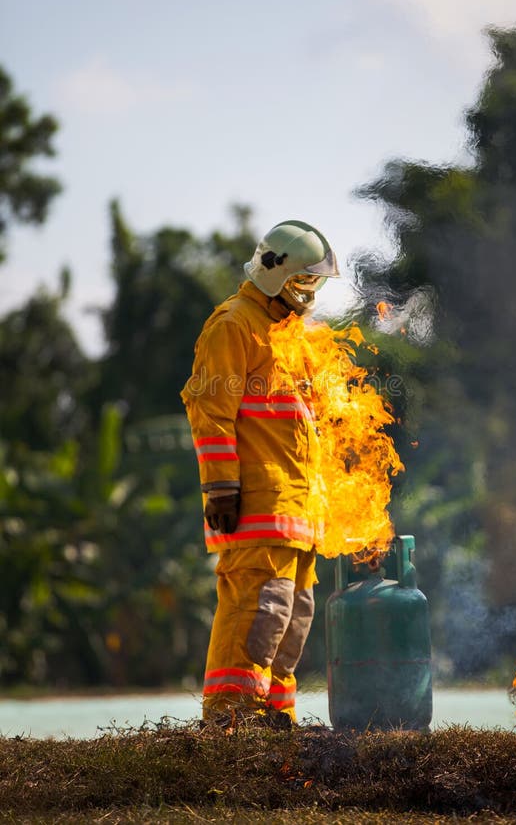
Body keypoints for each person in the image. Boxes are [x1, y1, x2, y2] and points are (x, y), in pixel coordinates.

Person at [181, 220, 339, 722]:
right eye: (304, 279)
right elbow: (210, 411)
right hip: (257, 506)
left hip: (300, 514)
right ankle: (230, 726)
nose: (310, 290)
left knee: (291, 623)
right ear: (278, 273)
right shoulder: (233, 324)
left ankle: (274, 729)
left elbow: (308, 425)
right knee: (258, 614)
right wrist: (220, 488)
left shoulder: (290, 335)